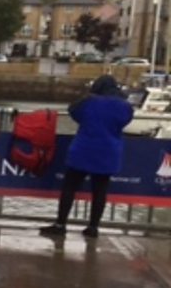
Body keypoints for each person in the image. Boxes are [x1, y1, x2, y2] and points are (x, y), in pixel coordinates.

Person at [39, 74, 134, 238]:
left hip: (83, 149)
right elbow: (125, 120)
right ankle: (93, 227)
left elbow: (73, 110)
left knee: (69, 187)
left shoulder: (89, 101)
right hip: (108, 151)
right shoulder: (124, 106)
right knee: (100, 191)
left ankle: (61, 224)